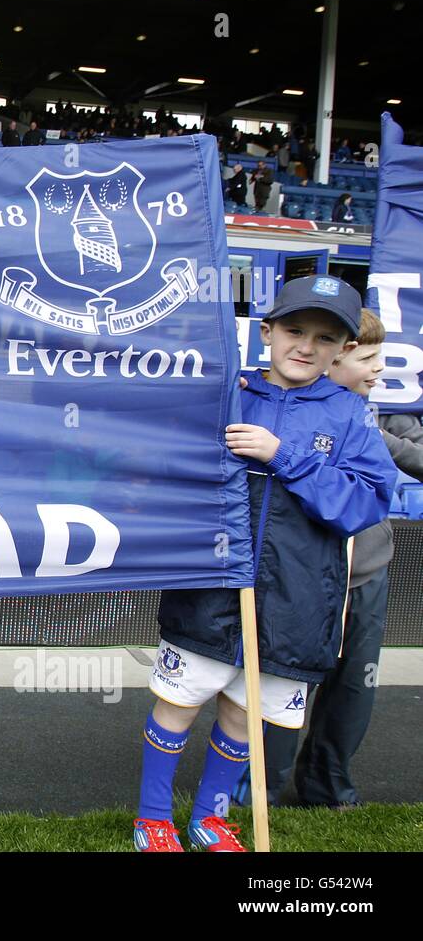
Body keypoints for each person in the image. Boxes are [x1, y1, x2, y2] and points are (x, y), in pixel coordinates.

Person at [136, 275, 395, 852]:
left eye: (325, 338)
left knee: (243, 714)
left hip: (298, 600)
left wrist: (286, 458)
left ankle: (211, 818)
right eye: (295, 330)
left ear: (343, 349)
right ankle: (152, 818)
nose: (306, 346)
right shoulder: (231, 392)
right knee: (178, 701)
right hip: (211, 587)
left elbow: (364, 504)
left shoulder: (350, 416)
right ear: (268, 331)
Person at [254, 309, 423, 810]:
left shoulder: (374, 416)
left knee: (353, 688)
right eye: (368, 357)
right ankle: (255, 791)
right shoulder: (282, 408)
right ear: (332, 358)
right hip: (297, 576)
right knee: (284, 683)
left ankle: (328, 790)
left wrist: (369, 434)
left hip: (364, 575)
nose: (378, 369)